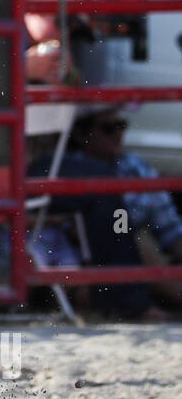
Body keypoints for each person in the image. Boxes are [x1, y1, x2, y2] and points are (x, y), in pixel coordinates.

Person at [30, 104, 182, 319]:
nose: (118, 134)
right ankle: (142, 302)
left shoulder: (134, 165)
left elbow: (170, 229)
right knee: (130, 238)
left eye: (121, 125)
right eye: (108, 128)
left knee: (133, 238)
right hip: (86, 259)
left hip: (125, 258)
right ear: (82, 134)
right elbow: (64, 228)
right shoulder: (63, 171)